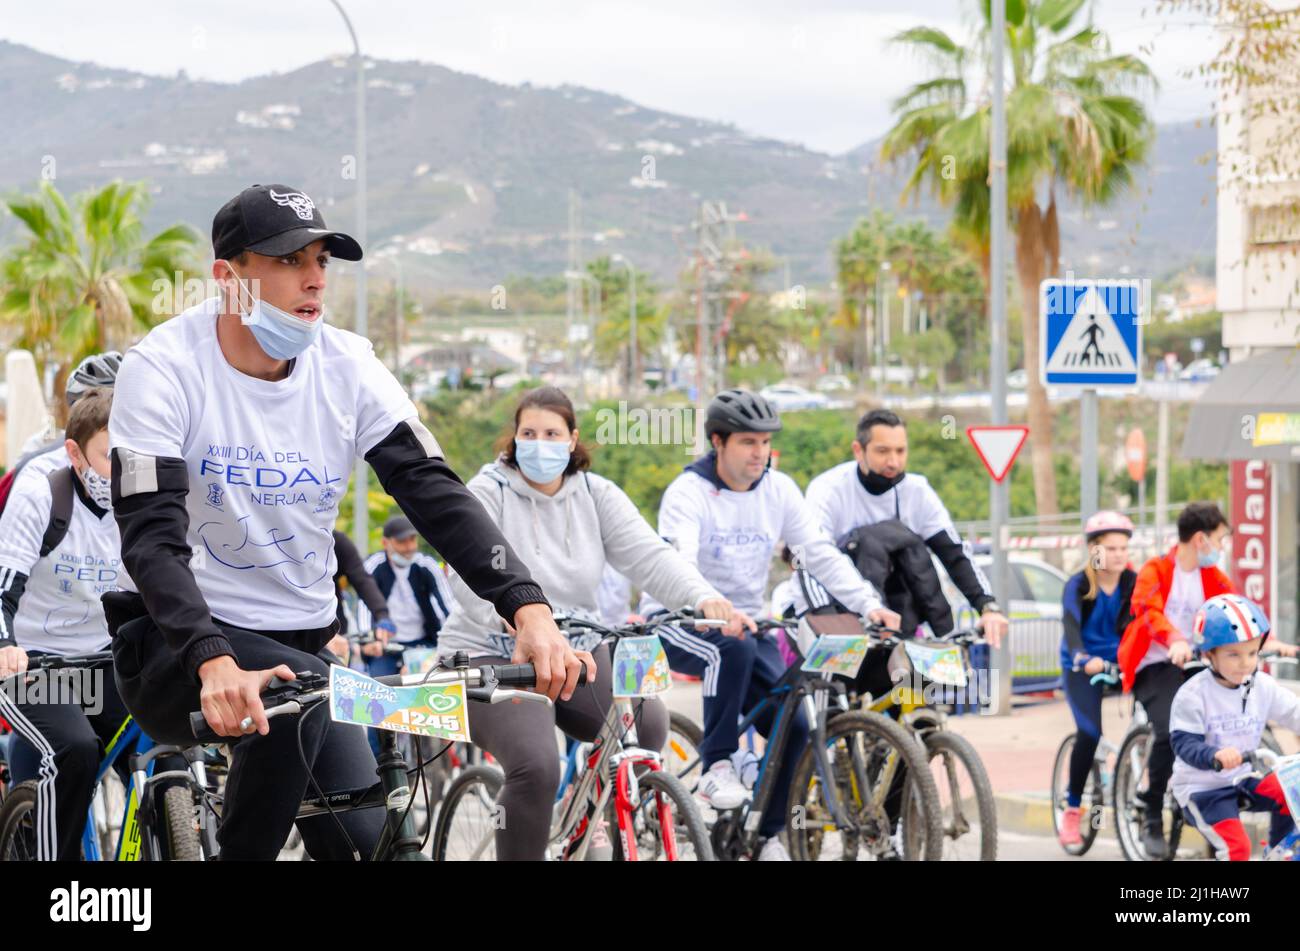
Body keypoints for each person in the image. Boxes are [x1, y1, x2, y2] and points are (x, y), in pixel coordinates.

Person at [104, 183, 583, 861]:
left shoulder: (348, 364)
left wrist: (528, 608)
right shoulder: (164, 367)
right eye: (288, 260)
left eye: (323, 260)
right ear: (228, 278)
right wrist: (212, 659)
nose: (314, 280)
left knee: (369, 844)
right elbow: (150, 540)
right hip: (179, 644)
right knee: (295, 711)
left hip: (309, 652)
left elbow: (432, 491)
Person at [436, 386, 738, 860]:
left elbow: (651, 557)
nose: (539, 443)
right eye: (528, 433)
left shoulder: (597, 495)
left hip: (575, 649)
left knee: (645, 721)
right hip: (490, 652)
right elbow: (465, 575)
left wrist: (704, 598)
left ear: (573, 439)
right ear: (513, 440)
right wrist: (518, 620)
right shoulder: (487, 492)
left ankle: (594, 820)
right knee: (537, 764)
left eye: (552, 433)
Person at [644, 388, 899, 860]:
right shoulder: (689, 492)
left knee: (797, 725)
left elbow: (817, 554)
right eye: (747, 442)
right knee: (730, 649)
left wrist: (868, 605)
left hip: (749, 622)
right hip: (679, 617)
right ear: (718, 442)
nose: (759, 453)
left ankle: (764, 836)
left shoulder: (779, 490)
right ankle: (716, 767)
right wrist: (708, 604)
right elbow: (680, 560)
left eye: (765, 443)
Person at [0, 389, 132, 860]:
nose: (121, 470)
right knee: (75, 751)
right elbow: (3, 582)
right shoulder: (41, 493)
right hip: (33, 665)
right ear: (74, 453)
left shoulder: (139, 499)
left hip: (102, 660)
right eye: (108, 456)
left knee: (169, 743)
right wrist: (4, 643)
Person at [801, 408, 1009, 645]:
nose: (894, 462)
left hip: (899, 617)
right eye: (882, 451)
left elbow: (953, 552)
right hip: (837, 614)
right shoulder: (828, 490)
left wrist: (987, 606)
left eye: (900, 451)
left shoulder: (917, 491)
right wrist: (830, 622)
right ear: (858, 450)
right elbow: (811, 558)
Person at [1117, 501, 1235, 859]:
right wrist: (1174, 639)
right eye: (1220, 539)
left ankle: (1215, 818)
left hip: (1195, 663)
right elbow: (1147, 609)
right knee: (1172, 730)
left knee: (1221, 728)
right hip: (1154, 664)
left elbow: (1235, 609)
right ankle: (1151, 810)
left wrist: (1265, 638)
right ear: (1201, 539)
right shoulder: (1156, 569)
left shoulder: (1211, 577)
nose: (1222, 547)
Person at [1171, 594, 1300, 860]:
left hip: (1244, 776)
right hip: (1203, 788)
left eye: (1252, 653)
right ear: (1209, 654)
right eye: (1233, 654)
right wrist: (1214, 756)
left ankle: (1277, 853)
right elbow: (1184, 744)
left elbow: (1293, 712)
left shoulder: (1261, 685)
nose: (1245, 663)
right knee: (1236, 849)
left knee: (1293, 793)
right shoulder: (1193, 695)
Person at [1056, 511, 1137, 849]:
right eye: (1111, 548)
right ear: (1094, 550)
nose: (1119, 555)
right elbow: (1072, 629)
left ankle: (1133, 779)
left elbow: (1143, 621)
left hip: (1122, 663)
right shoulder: (1078, 585)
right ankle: (1073, 809)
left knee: (1152, 722)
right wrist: (1082, 658)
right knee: (1089, 733)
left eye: (1124, 548)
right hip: (1084, 667)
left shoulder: (1133, 581)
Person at [356, 515, 453, 677]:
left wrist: (450, 642)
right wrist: (368, 639)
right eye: (402, 542)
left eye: (412, 540)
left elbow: (448, 606)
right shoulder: (374, 565)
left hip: (424, 644)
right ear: (386, 543)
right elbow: (364, 604)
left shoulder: (427, 565)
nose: (409, 547)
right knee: (380, 686)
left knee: (429, 685)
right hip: (385, 645)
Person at [325, 528, 393, 663]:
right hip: (290, 631)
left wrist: (381, 615)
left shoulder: (335, 540)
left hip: (335, 629)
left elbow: (362, 579)